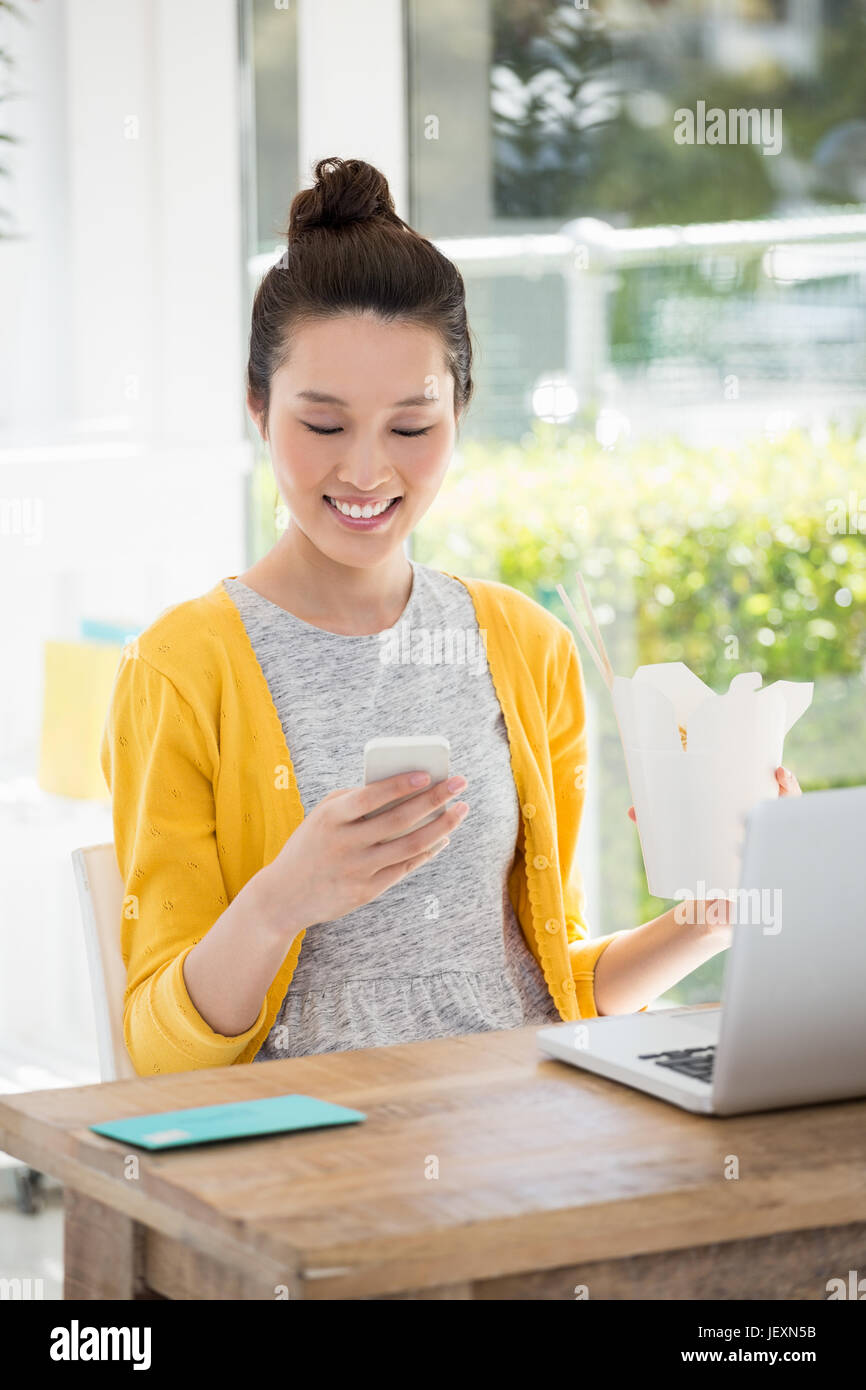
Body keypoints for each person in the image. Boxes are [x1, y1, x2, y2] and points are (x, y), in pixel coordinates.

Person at [100, 156, 800, 1076]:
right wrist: (281, 901)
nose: (364, 471)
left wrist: (713, 918)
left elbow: (552, 987)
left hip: (529, 1122)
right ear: (258, 409)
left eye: (410, 426)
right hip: (314, 1158)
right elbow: (159, 1049)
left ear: (460, 414)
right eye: (322, 426)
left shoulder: (526, 647)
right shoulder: (183, 670)